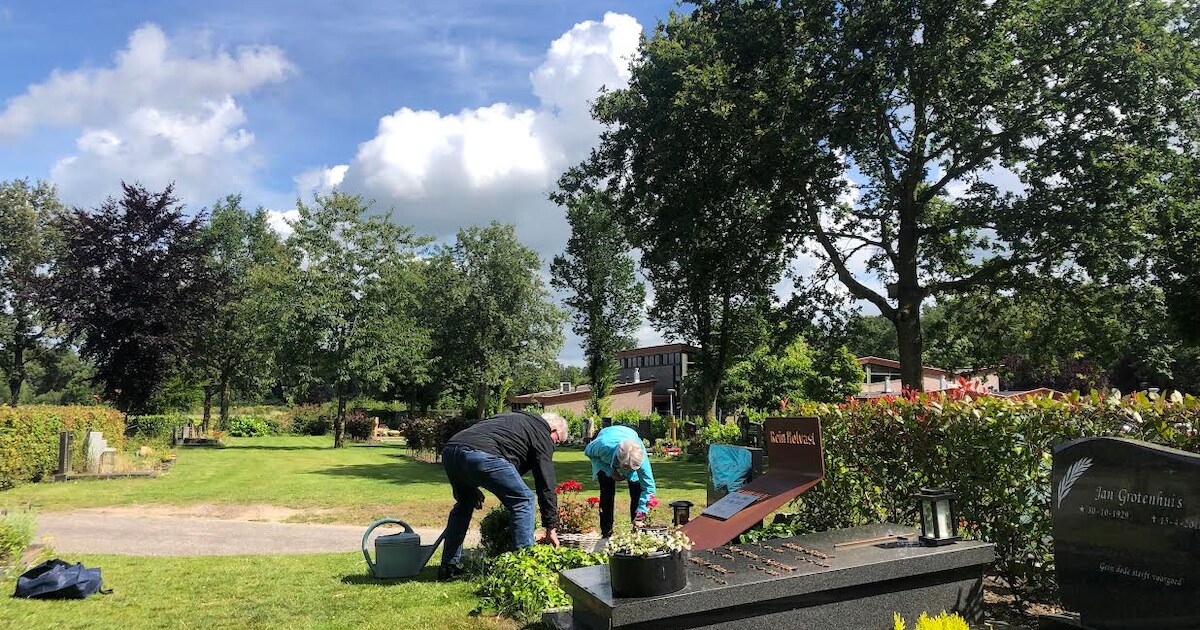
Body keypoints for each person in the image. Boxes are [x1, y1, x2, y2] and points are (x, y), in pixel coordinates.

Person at [438, 410, 568, 580]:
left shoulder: (515, 418)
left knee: (465, 503)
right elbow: (546, 483)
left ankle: (448, 566)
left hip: (451, 451)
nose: (553, 446)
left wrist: (470, 485)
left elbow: (504, 457)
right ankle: (525, 568)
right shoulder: (541, 432)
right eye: (557, 442)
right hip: (481, 454)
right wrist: (551, 526)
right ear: (553, 430)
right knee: (524, 500)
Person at [584, 424, 657, 538]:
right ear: (619, 459)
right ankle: (606, 532)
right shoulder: (603, 445)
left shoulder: (640, 455)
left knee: (637, 492)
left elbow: (649, 487)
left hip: (630, 439)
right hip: (608, 451)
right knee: (606, 493)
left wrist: (641, 513)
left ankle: (637, 532)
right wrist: (609, 471)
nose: (628, 471)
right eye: (627, 468)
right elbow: (588, 452)